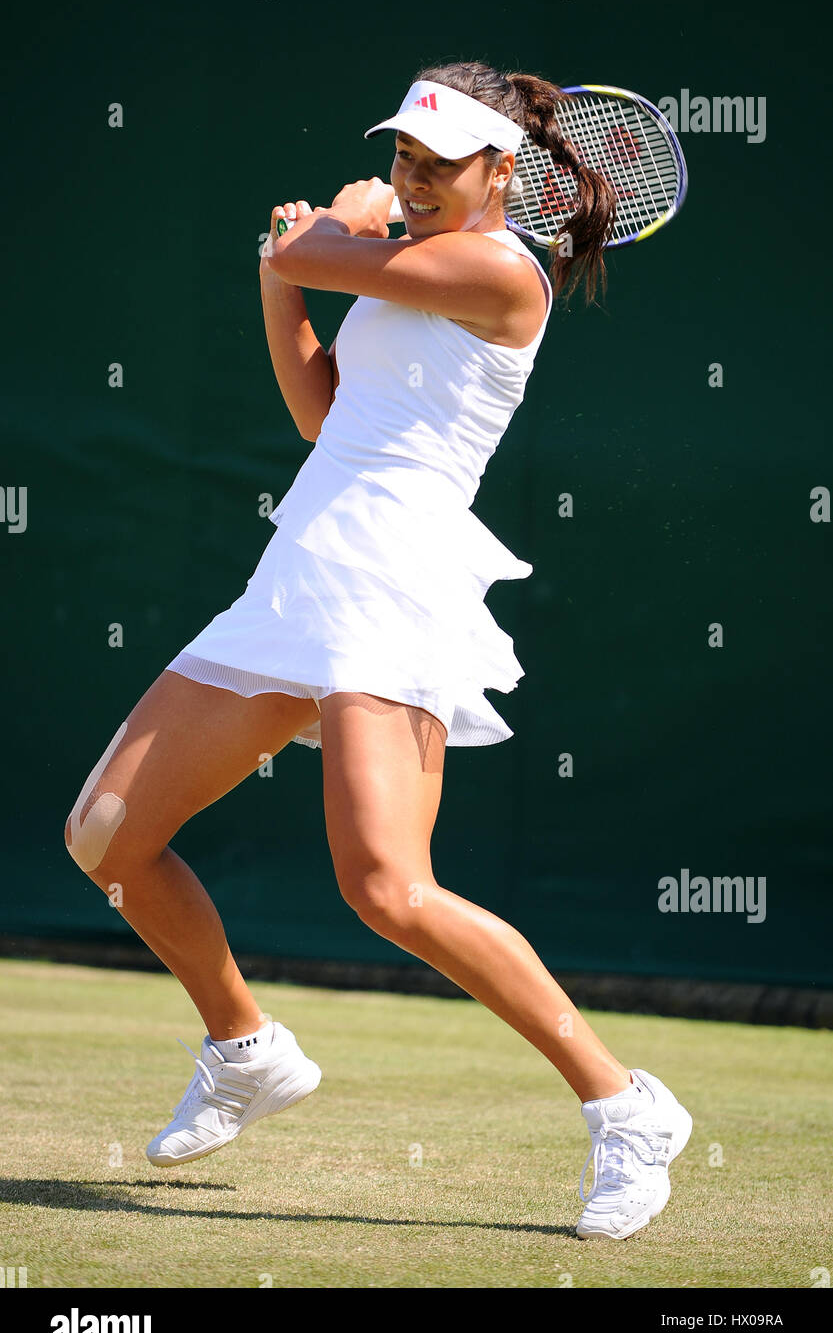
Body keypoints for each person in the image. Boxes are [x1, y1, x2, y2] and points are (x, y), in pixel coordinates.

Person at [65, 61, 692, 1240]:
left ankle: (624, 1106)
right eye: (400, 161)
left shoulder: (498, 271)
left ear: (500, 173)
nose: (407, 182)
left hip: (396, 586)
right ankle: (244, 1047)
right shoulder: (398, 267)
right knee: (105, 832)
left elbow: (316, 252)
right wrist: (287, 269)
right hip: (299, 571)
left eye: (432, 166)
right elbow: (319, 411)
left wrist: (321, 234)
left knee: (386, 888)